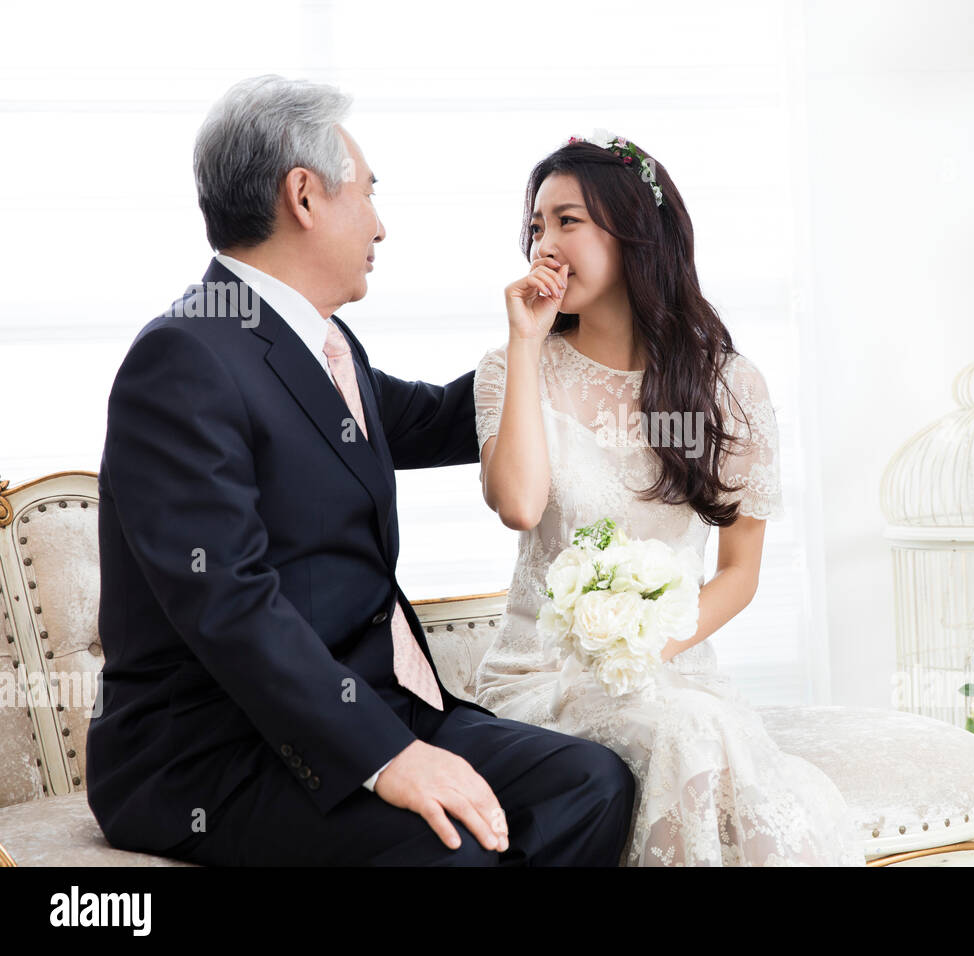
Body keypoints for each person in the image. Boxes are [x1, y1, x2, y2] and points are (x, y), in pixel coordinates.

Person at [85, 76, 635, 866]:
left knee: (593, 782)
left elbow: (446, 416)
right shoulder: (184, 358)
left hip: (379, 702)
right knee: (459, 848)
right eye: (369, 194)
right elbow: (229, 603)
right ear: (303, 196)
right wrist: (388, 758)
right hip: (215, 751)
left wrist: (549, 334)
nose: (382, 223)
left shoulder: (322, 343)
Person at [472, 133, 865, 866]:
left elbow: (738, 573)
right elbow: (520, 505)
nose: (544, 248)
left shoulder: (726, 387)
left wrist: (642, 650)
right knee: (687, 734)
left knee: (695, 734)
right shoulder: (510, 368)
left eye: (568, 221)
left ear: (633, 231)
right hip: (538, 680)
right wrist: (525, 343)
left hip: (673, 673)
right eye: (535, 226)